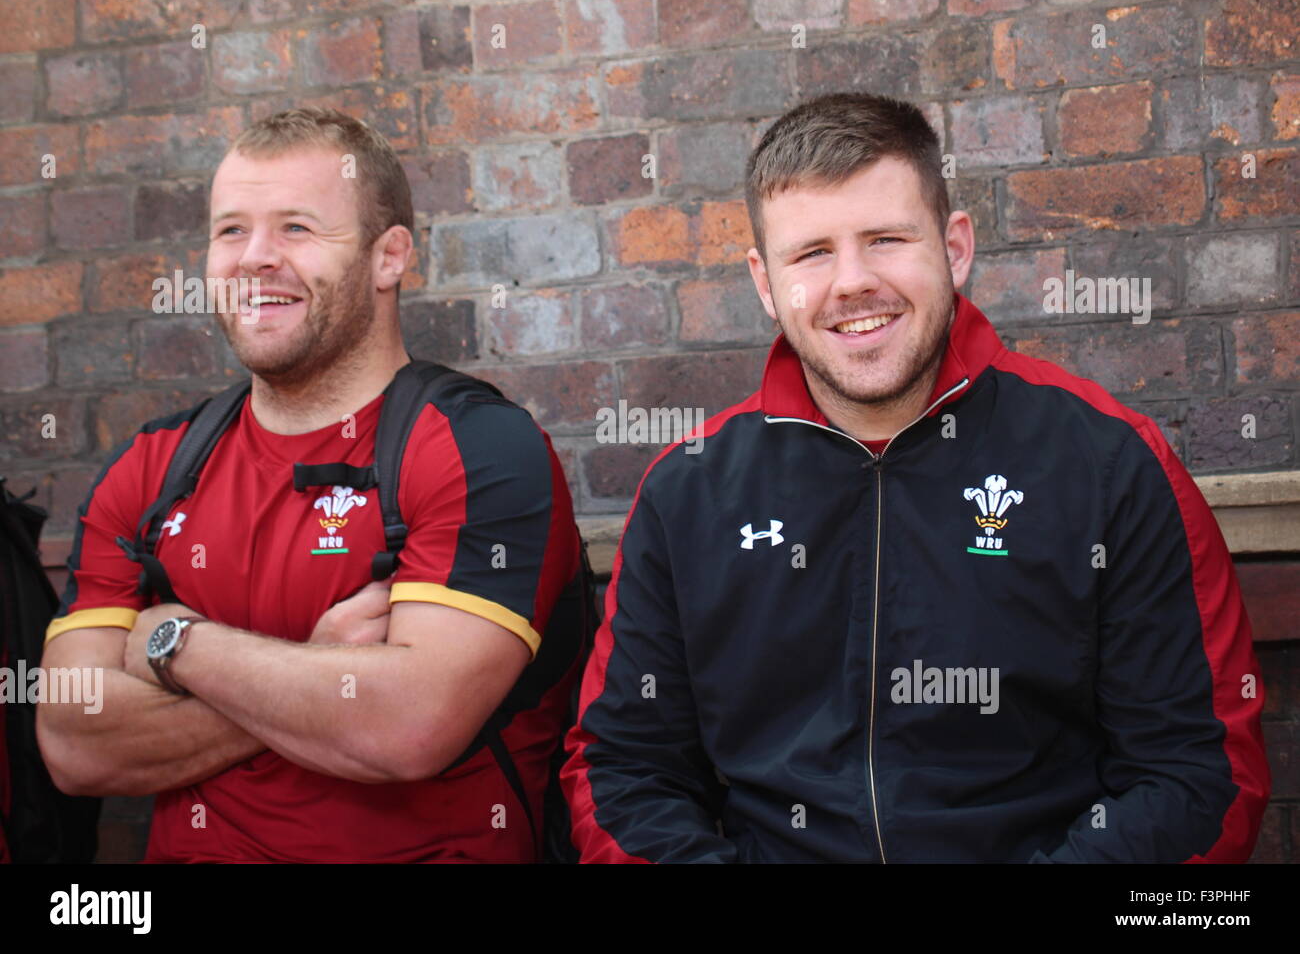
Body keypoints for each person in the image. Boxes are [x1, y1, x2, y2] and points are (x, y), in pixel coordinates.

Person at [560, 92, 1270, 862]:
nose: (853, 282)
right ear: (766, 283)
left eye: (886, 238)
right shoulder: (687, 492)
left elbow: (1197, 774)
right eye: (813, 253)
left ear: (954, 246)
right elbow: (622, 773)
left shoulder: (1107, 462)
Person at [36, 108, 582, 862]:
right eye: (231, 230)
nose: (255, 258)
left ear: (388, 257)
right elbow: (72, 744)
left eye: (296, 228)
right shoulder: (154, 466)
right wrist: (314, 667)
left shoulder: (477, 447)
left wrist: (169, 641)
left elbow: (408, 728)